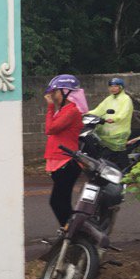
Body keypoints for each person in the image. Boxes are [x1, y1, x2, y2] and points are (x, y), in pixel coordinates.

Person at [44, 74, 84, 229]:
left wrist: (49, 107)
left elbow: (50, 129)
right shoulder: (63, 110)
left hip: (67, 162)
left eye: (56, 92)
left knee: (57, 202)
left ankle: (73, 232)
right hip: (61, 162)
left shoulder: (72, 111)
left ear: (66, 92)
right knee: (62, 202)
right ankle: (72, 232)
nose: (53, 96)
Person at [88, 76, 134, 168]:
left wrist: (114, 119)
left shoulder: (126, 99)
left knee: (119, 152)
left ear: (121, 87)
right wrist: (86, 113)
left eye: (116, 86)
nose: (113, 88)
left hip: (120, 131)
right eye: (111, 86)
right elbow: (99, 110)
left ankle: (126, 170)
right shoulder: (109, 99)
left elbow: (124, 113)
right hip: (107, 131)